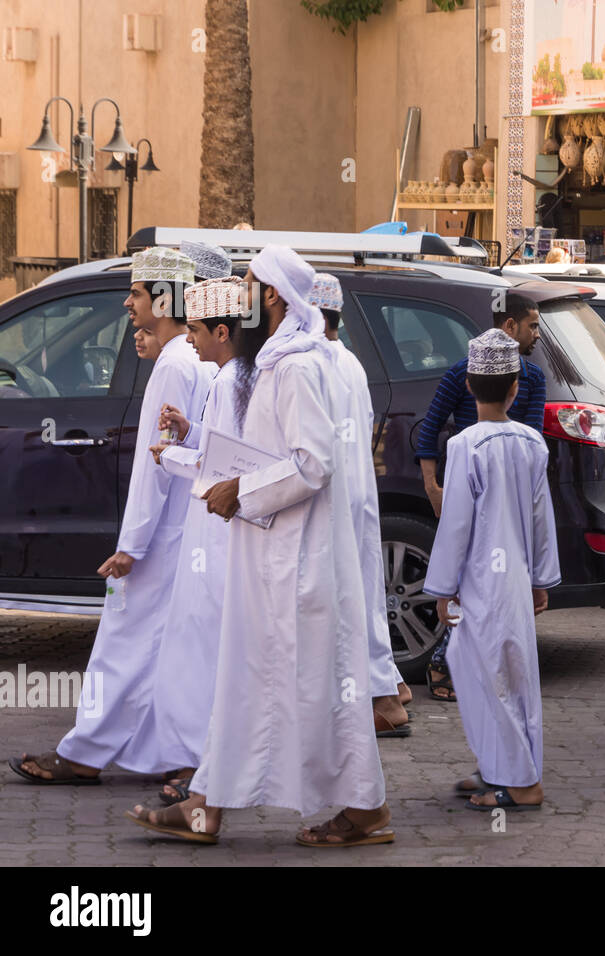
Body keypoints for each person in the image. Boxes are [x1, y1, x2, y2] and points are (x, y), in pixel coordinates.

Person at [126, 245, 392, 847]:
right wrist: (205, 467)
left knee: (325, 690)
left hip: (298, 563)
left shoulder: (297, 366)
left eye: (247, 281)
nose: (240, 289)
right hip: (267, 558)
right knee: (246, 682)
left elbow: (312, 462)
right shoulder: (273, 363)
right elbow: (259, 454)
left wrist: (240, 491)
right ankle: (206, 807)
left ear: (271, 294)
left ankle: (367, 812)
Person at [9, 247, 212, 786]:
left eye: (138, 294)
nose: (129, 303)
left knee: (123, 643)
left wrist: (133, 546)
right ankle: (175, 756)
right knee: (172, 649)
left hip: (165, 536)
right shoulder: (192, 359)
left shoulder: (174, 363)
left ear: (165, 300)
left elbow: (156, 465)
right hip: (185, 533)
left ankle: (84, 753)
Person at [423, 329, 561, 811]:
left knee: (485, 675)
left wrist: (442, 588)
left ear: (467, 386)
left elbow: (456, 522)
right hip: (517, 580)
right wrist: (542, 578)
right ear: (515, 388)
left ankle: (521, 782)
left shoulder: (466, 445)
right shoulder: (531, 443)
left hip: (481, 581)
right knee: (511, 676)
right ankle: (500, 767)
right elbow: (543, 515)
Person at [147, 274, 256, 805]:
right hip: (211, 533)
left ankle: (204, 769)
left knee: (204, 647)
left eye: (193, 330)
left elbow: (227, 468)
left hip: (217, 536)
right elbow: (222, 446)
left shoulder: (235, 381)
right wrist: (189, 431)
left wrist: (169, 456)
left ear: (220, 330)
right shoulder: (230, 379)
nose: (188, 340)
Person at [414, 292, 546, 703]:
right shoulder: (459, 380)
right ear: (510, 326)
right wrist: (434, 488)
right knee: (470, 581)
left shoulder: (533, 380)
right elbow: (430, 429)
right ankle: (449, 659)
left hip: (509, 499)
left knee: (505, 587)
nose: (538, 334)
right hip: (467, 492)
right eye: (533, 325)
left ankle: (491, 666)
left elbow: (533, 440)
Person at [308, 272, 411, 736]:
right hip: (357, 492)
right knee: (363, 595)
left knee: (345, 600)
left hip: (332, 495)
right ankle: (388, 684)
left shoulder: (313, 363)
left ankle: (382, 698)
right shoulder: (347, 360)